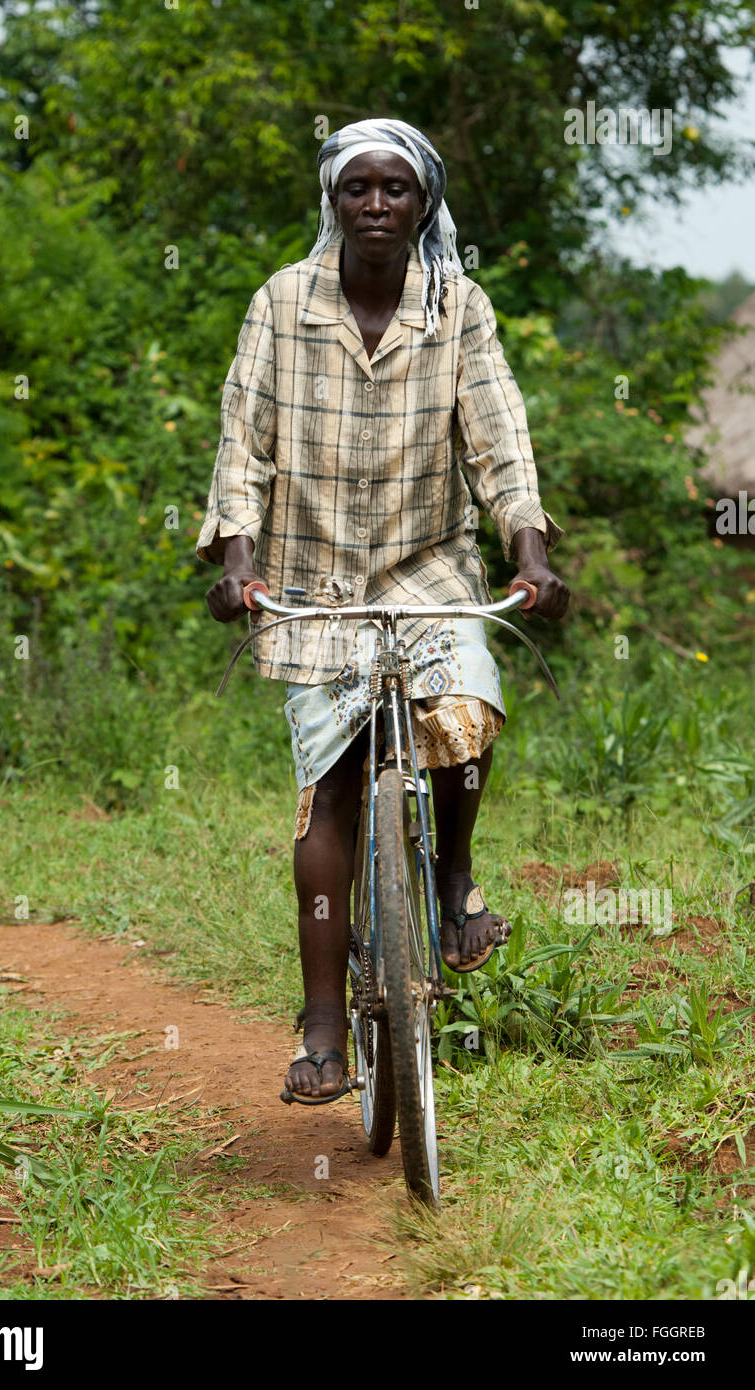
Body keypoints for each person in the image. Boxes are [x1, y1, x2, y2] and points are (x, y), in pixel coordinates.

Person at [197, 118, 569, 1104]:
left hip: (427, 563)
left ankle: (451, 882)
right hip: (309, 570)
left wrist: (529, 552)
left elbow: (498, 444)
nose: (373, 204)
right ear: (332, 199)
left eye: (393, 190)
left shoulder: (458, 306)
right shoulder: (281, 303)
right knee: (331, 787)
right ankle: (322, 1022)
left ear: (423, 204)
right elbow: (243, 441)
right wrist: (235, 559)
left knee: (464, 712)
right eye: (355, 187)